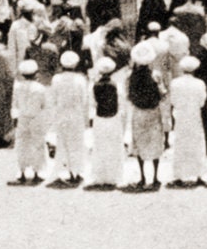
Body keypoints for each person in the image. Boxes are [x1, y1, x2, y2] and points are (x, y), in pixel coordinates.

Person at [126, 41, 168, 189]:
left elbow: (129, 95)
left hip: (139, 112)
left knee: (139, 143)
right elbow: (163, 93)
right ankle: (155, 177)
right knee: (155, 142)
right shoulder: (156, 75)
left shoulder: (132, 76)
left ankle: (143, 178)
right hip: (153, 112)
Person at [167, 55, 207, 187]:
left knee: (180, 144)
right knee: (197, 144)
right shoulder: (200, 83)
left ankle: (179, 175)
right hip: (194, 116)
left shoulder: (175, 83)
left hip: (180, 116)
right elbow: (202, 102)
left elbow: (172, 101)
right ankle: (198, 174)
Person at [50, 51, 91, 185]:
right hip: (76, 114)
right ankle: (76, 172)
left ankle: (64, 171)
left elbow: (54, 98)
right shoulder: (80, 79)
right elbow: (84, 100)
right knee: (77, 144)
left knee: (62, 143)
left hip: (61, 114)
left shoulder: (56, 79)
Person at [86, 58, 125, 189]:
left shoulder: (94, 86)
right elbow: (121, 103)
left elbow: (92, 103)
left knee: (100, 146)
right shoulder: (117, 85)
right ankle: (114, 176)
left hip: (100, 118)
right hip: (114, 118)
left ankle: (100, 176)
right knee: (114, 146)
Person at [9, 59, 49, 186]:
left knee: (22, 145)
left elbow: (14, 104)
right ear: (36, 73)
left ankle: (21, 172)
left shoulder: (17, 87)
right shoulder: (40, 88)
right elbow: (44, 105)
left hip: (23, 118)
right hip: (36, 118)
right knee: (37, 144)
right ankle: (37, 172)